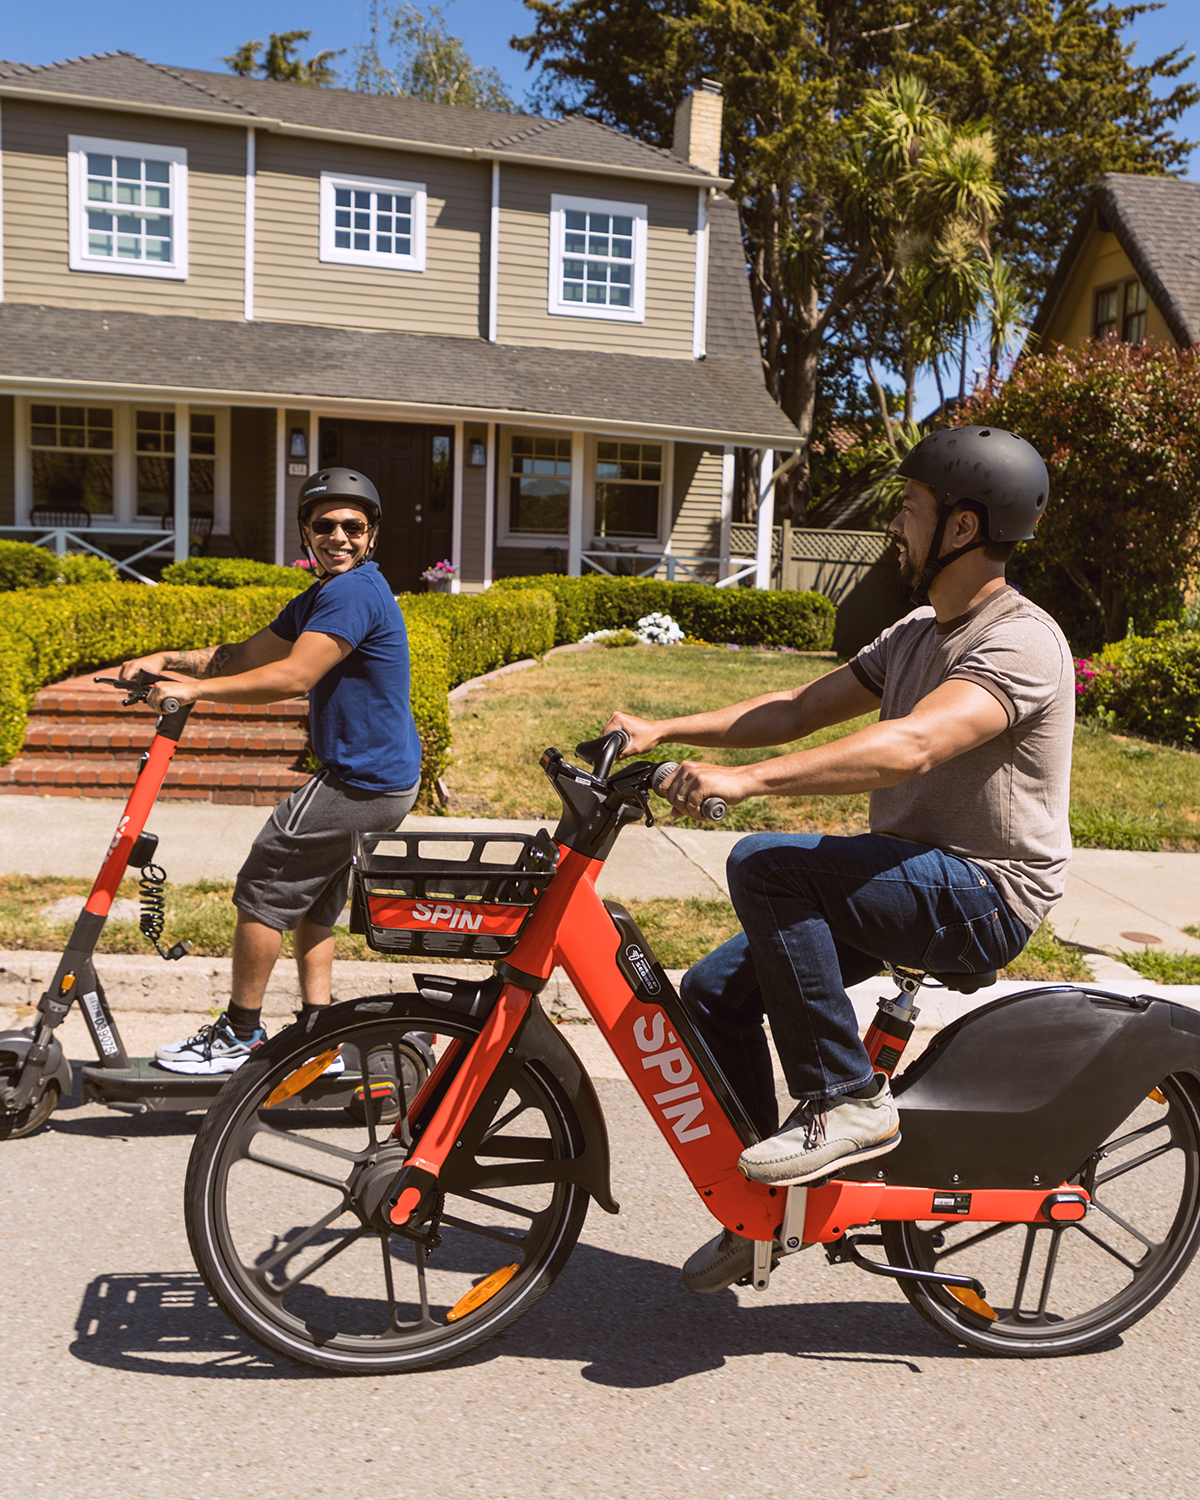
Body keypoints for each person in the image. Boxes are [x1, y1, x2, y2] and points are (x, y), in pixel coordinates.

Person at [604, 426, 1074, 1293]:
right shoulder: (915, 632)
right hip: (909, 876)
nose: (897, 524)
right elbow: (795, 704)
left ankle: (847, 1101)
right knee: (712, 991)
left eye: (911, 509)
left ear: (963, 529)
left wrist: (745, 785)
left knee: (770, 866)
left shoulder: (1019, 640)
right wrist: (665, 728)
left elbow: (914, 747)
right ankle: (763, 1204)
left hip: (985, 893)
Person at [120, 467, 422, 1075]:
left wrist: (196, 695)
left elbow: (292, 676)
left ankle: (239, 1034)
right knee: (313, 903)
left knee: (263, 885)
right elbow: (244, 656)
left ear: (371, 535)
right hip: (379, 777)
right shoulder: (322, 595)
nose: (339, 536)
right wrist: (166, 661)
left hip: (362, 779)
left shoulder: (353, 593)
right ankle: (321, 1035)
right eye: (325, 525)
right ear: (307, 534)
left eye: (352, 526)